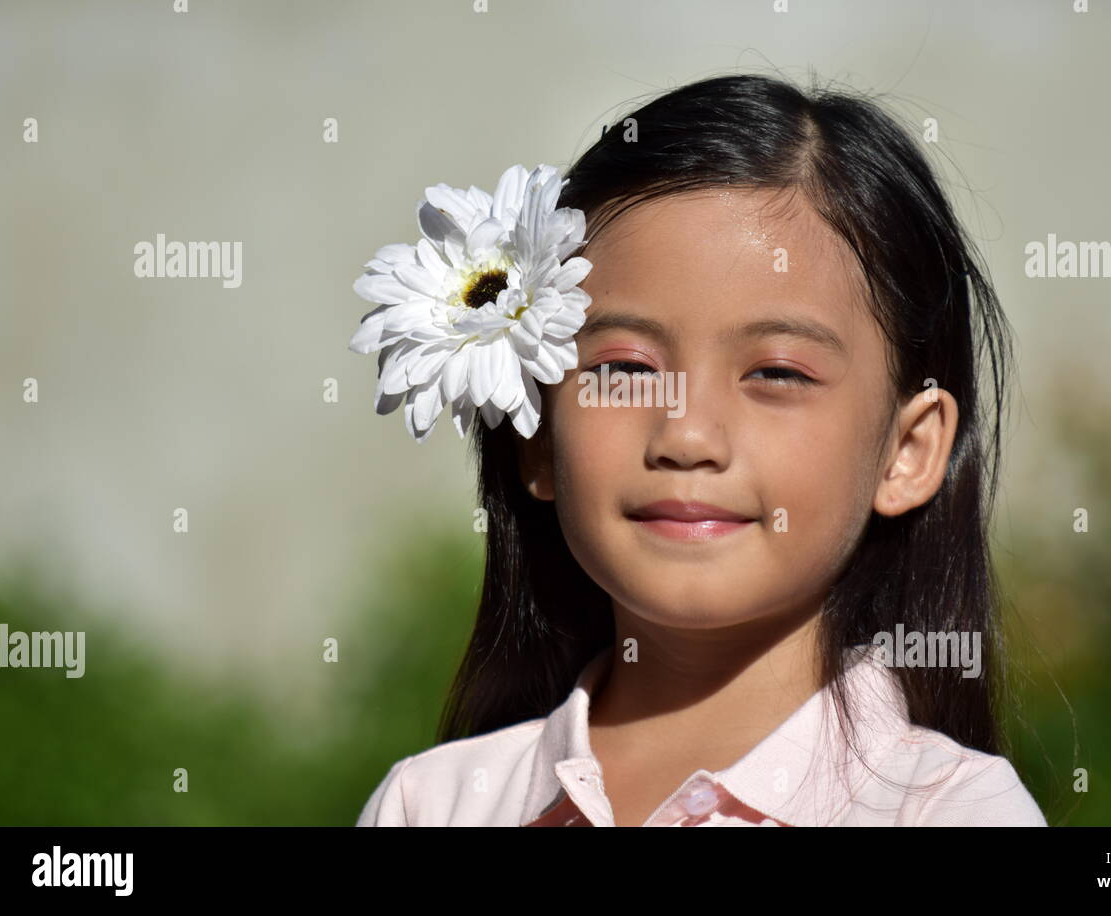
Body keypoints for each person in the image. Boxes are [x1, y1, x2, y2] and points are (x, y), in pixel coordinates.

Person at [350, 72, 1047, 826]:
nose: (686, 435)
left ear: (906, 450)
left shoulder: (954, 812)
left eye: (777, 372)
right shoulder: (433, 805)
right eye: (625, 370)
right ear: (537, 438)